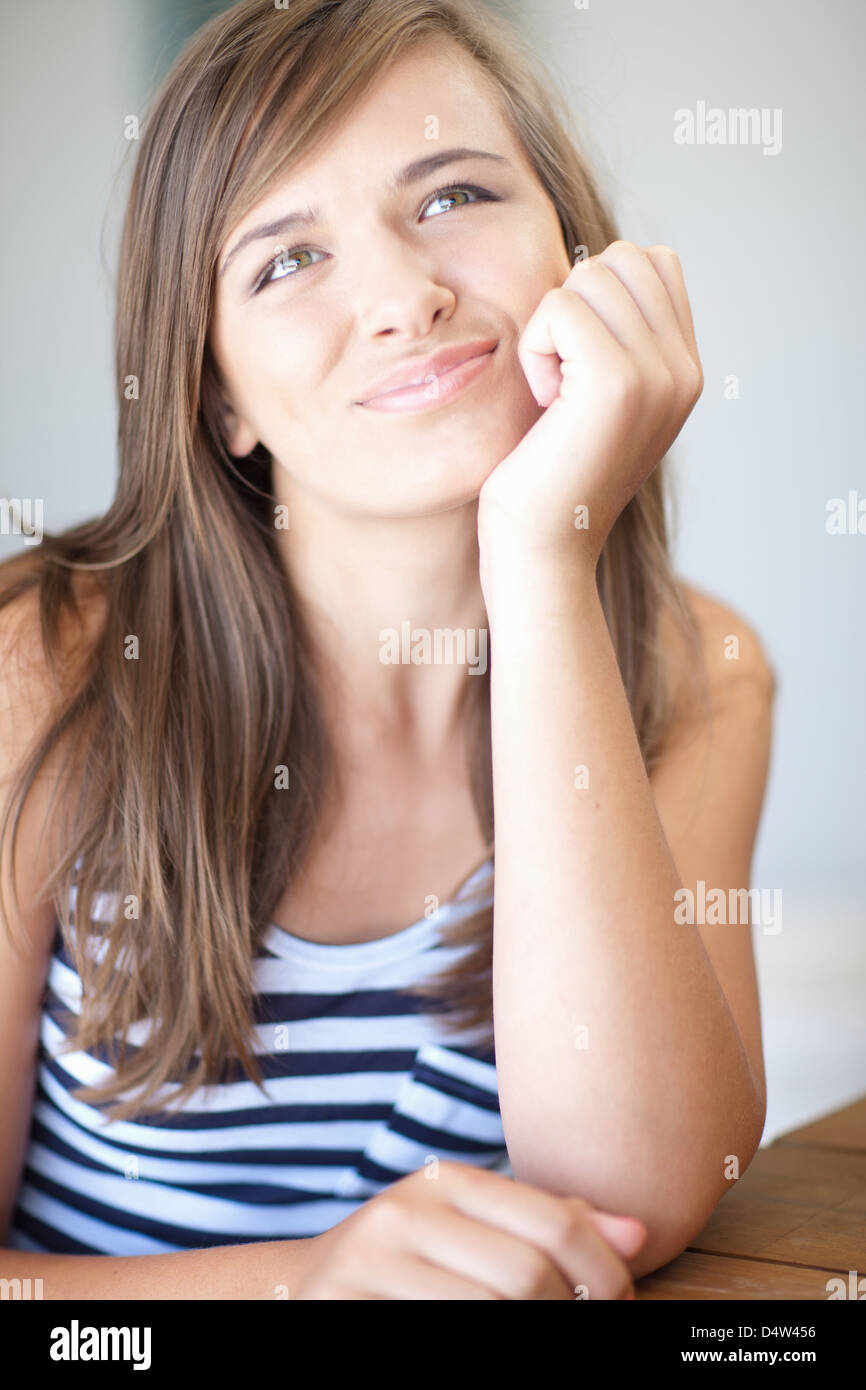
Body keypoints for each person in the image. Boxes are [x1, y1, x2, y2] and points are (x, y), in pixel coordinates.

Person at [0, 0, 774, 1300]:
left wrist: (538, 557)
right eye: (286, 260)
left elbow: (634, 1192)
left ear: (574, 256)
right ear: (218, 394)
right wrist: (305, 1285)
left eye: (454, 193)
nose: (406, 299)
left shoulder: (697, 670)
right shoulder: (43, 666)